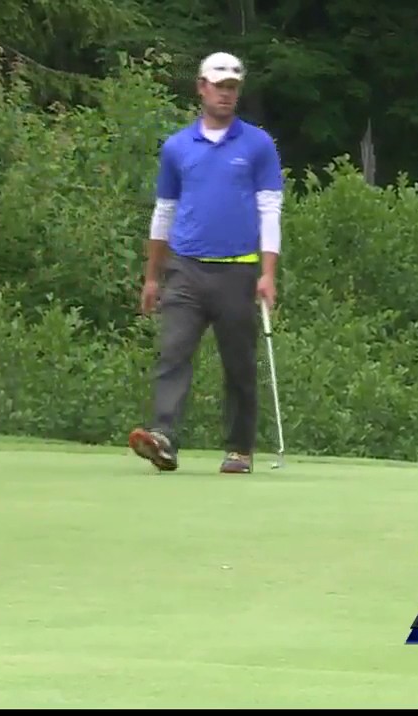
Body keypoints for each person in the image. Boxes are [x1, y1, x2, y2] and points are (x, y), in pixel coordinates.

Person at [126, 51, 284, 475]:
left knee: (239, 364)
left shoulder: (257, 144)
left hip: (238, 269)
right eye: (219, 86)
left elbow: (270, 208)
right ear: (201, 87)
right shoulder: (177, 147)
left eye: (233, 87)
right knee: (173, 353)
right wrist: (152, 277)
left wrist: (268, 273)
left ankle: (239, 449)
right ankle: (163, 438)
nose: (226, 94)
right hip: (186, 268)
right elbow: (164, 212)